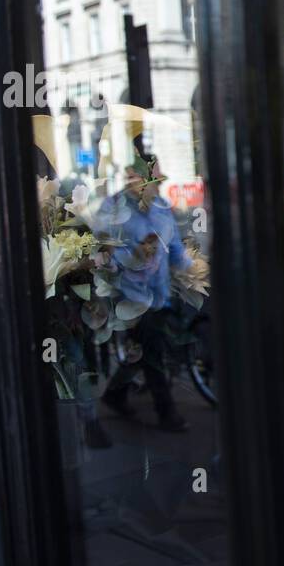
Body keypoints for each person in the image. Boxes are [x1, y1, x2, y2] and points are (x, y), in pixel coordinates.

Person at [99, 153, 192, 435]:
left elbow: (175, 247)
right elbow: (101, 250)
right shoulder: (114, 208)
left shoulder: (163, 208)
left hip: (159, 292)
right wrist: (130, 256)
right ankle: (167, 412)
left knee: (142, 352)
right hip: (130, 297)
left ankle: (115, 393)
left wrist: (194, 270)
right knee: (152, 352)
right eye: (134, 177)